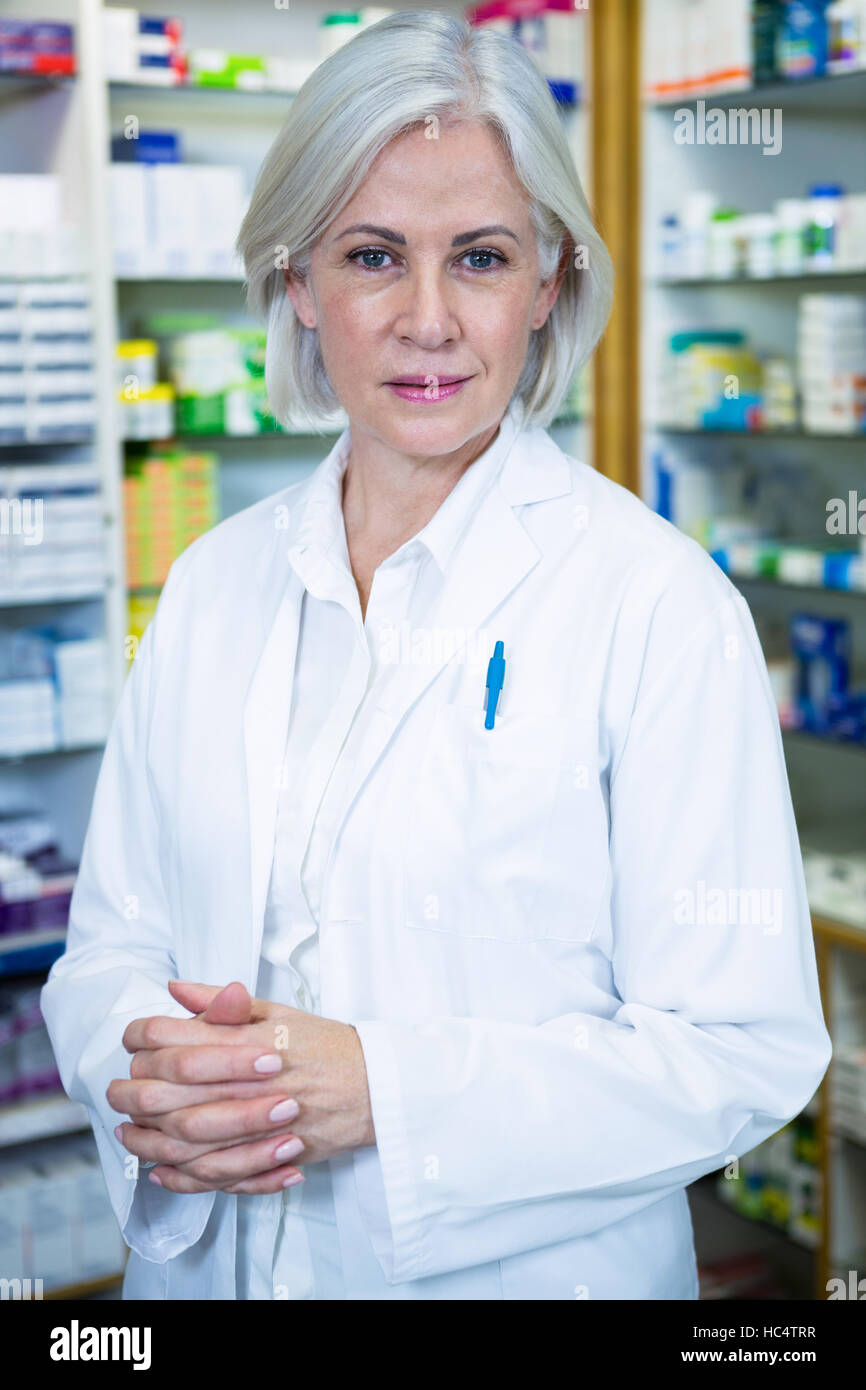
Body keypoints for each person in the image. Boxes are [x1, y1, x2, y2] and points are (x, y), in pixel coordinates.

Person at [42, 10, 831, 1300]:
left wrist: (383, 1094)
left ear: (550, 281)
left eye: (478, 257)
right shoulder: (209, 585)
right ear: (298, 280)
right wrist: (146, 1071)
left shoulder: (656, 605)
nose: (426, 320)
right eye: (370, 255)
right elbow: (113, 941)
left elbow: (741, 1051)